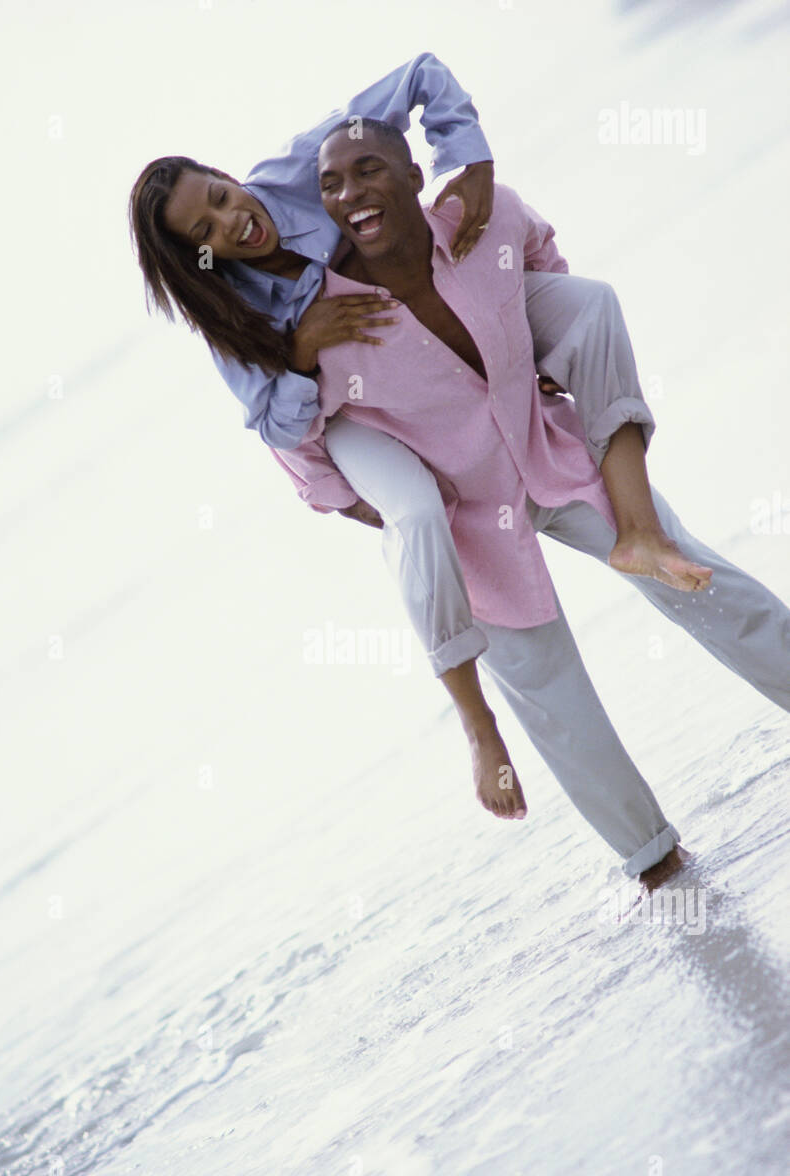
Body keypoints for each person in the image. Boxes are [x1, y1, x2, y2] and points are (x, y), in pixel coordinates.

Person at [272, 117, 790, 889]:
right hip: (468, 526)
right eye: (331, 185)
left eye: (368, 169)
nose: (350, 194)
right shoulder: (325, 320)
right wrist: (380, 510)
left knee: (699, 581)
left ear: (414, 177)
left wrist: (544, 367)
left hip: (551, 454)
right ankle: (656, 866)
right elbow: (295, 439)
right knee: (555, 702)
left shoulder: (488, 219)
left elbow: (548, 272)